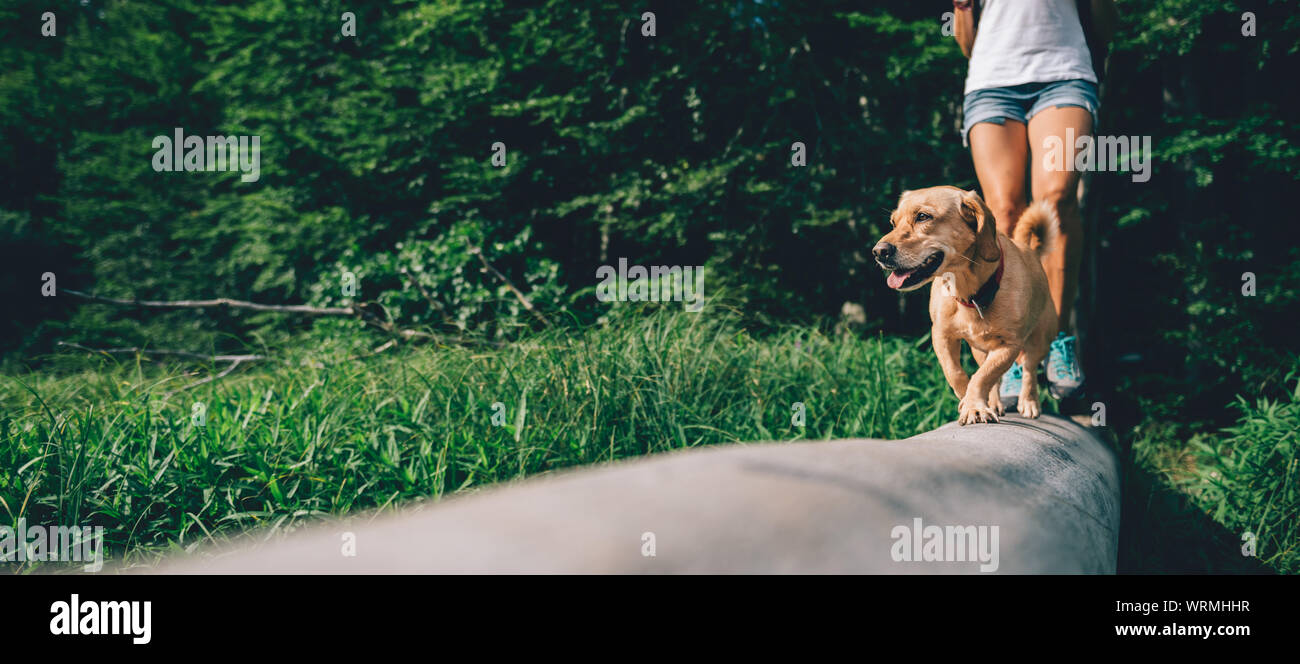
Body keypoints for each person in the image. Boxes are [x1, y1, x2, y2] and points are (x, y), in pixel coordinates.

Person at [952, 0, 1117, 404]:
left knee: (1056, 201)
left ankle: (1056, 337)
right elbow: (968, 44)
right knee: (1003, 213)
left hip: (1064, 73)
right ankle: (1006, 348)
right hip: (992, 81)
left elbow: (1106, 29)